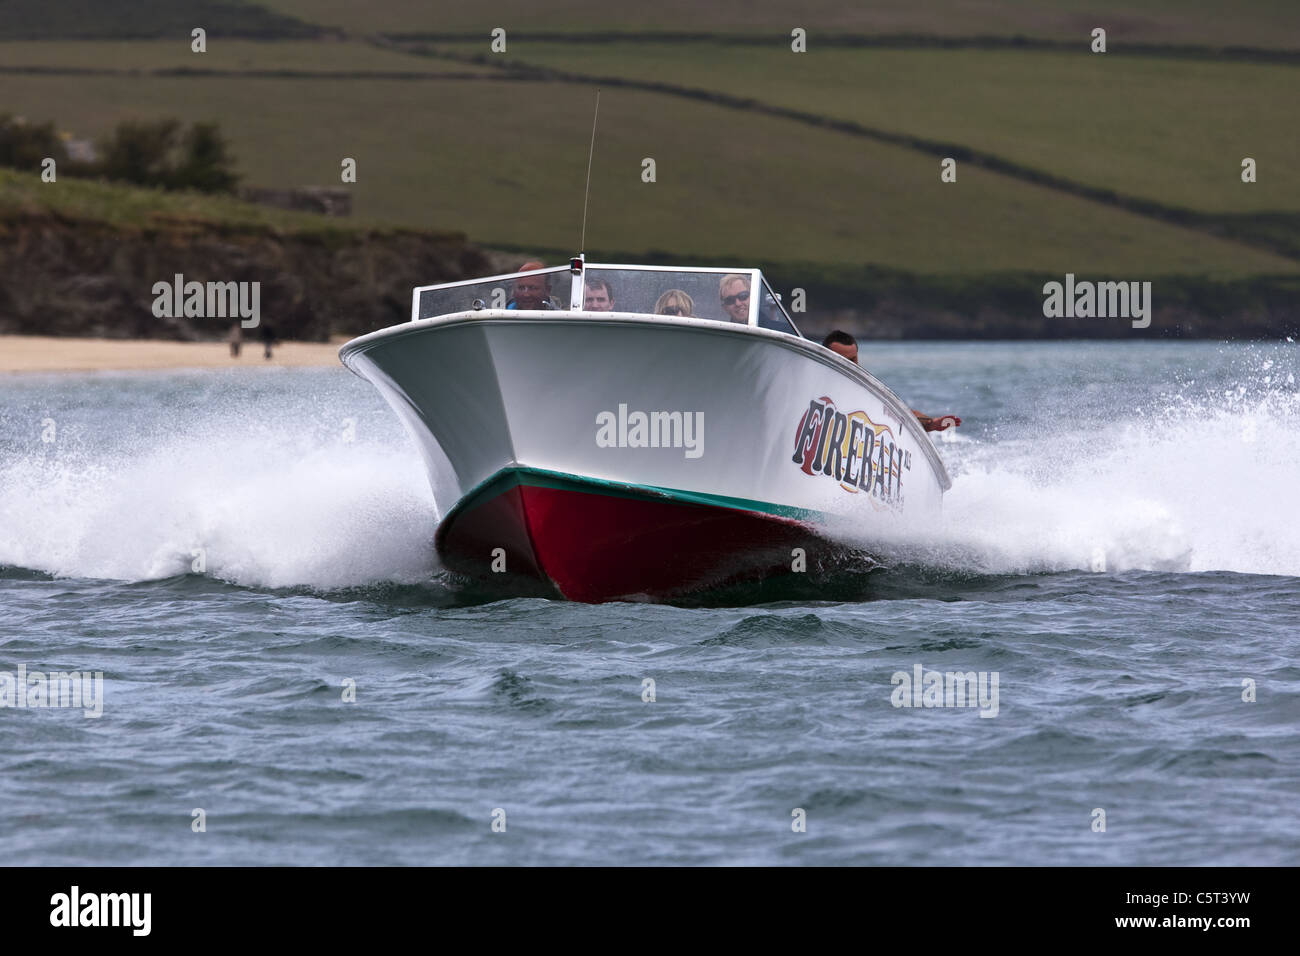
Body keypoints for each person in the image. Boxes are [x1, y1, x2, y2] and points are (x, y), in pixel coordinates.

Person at [820, 330, 962, 433]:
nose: (848, 366)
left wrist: (932, 424)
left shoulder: (865, 389)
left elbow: (899, 413)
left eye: (852, 360)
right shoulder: (812, 380)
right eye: (840, 360)